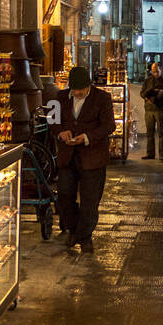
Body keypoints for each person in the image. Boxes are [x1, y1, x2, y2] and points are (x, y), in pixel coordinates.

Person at [50, 66, 116, 253]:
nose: (77, 93)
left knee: (90, 199)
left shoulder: (102, 98)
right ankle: (73, 229)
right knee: (64, 195)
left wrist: (87, 137)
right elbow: (52, 121)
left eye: (81, 90)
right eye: (75, 90)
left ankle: (84, 236)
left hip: (93, 157)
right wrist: (61, 132)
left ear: (89, 86)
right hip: (67, 156)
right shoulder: (59, 97)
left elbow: (109, 126)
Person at [139, 61, 163, 159]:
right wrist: (147, 98)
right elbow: (142, 92)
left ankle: (162, 154)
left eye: (156, 71)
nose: (155, 73)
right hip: (149, 109)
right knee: (149, 133)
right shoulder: (148, 80)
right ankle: (150, 153)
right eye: (153, 71)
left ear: (161, 69)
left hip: (160, 109)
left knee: (161, 133)